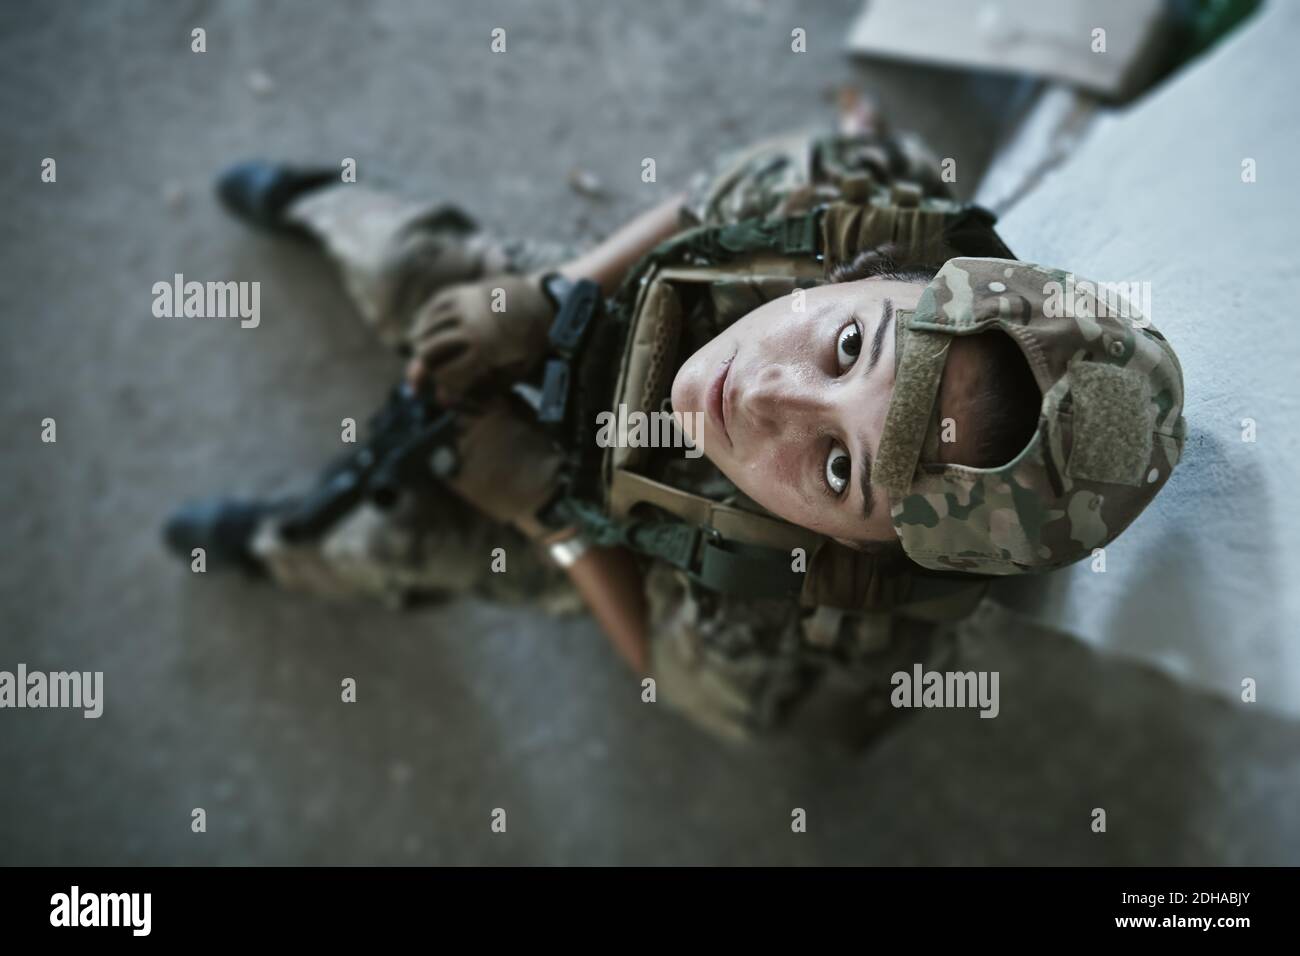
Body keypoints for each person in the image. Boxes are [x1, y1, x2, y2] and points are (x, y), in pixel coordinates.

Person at [165, 116, 1185, 747]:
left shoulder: (807, 619)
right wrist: (547, 295)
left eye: (838, 467)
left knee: (393, 539)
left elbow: (664, 663)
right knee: (419, 276)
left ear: (859, 550)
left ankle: (267, 545)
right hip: (600, 323)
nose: (770, 401)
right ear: (875, 268)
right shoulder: (852, 193)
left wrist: (545, 518)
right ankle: (316, 202)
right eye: (842, 348)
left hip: (604, 543)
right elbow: (699, 203)